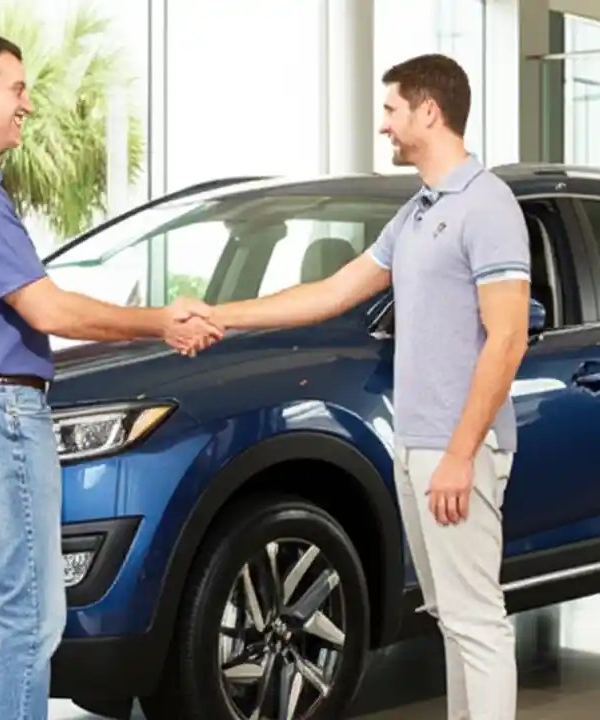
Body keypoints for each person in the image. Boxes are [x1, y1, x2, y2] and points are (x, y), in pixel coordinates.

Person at [0, 30, 222, 720]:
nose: (28, 104)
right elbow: (44, 306)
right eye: (17, 88)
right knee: (30, 618)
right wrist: (160, 320)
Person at [209, 53, 530, 720]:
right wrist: (222, 316)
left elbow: (507, 339)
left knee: (477, 619)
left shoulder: (487, 205)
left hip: (455, 449)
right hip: (415, 444)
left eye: (391, 110)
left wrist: (461, 452)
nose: (383, 125)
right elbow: (332, 292)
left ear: (429, 112)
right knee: (450, 613)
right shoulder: (416, 212)